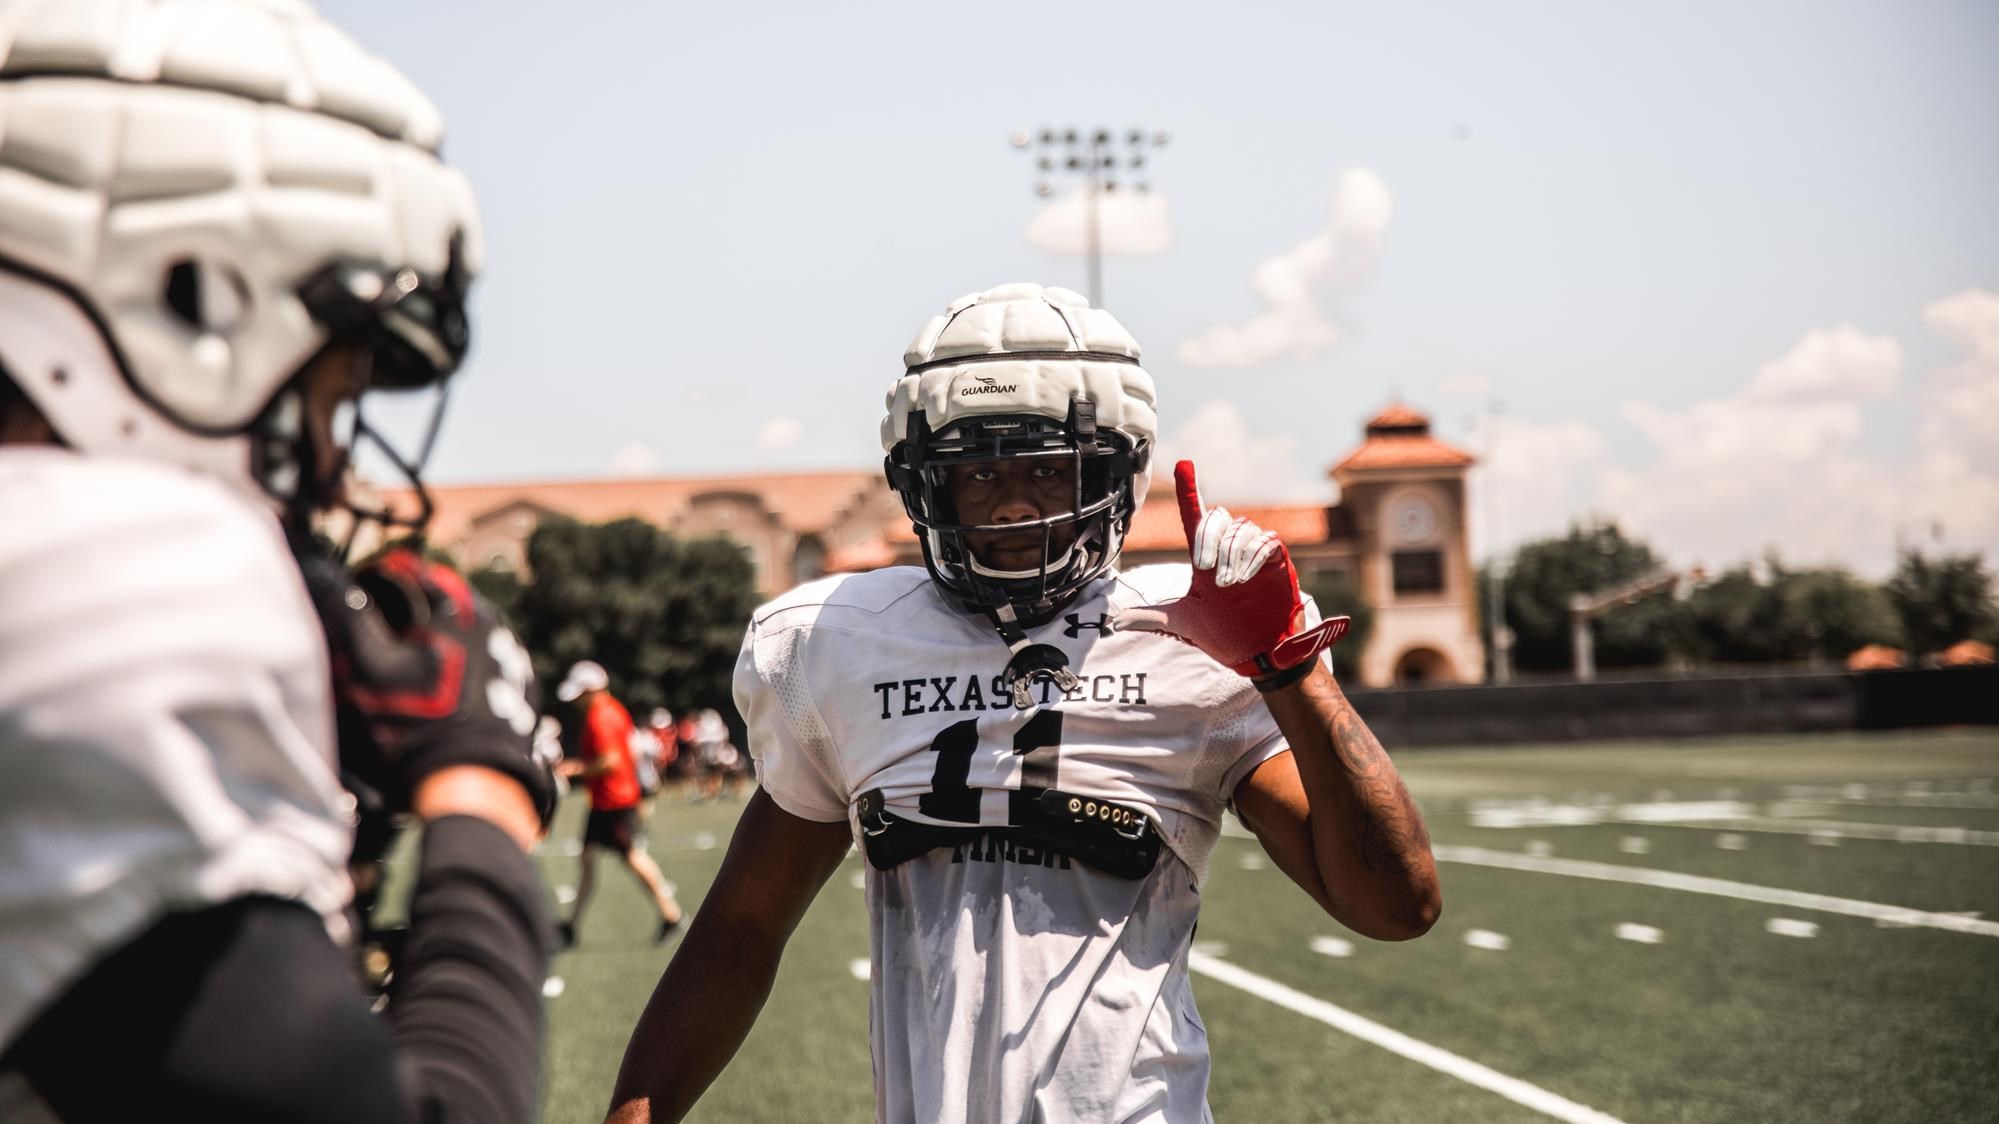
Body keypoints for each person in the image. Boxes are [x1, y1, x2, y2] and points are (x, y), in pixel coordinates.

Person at [608, 283, 1442, 1123]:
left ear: (1117, 471)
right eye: (978, 472)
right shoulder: (835, 646)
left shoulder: (1187, 644)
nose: (1011, 501)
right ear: (922, 483)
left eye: (1048, 468)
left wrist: (1288, 673)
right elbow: (741, 930)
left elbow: (1395, 905)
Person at [0, 2, 558, 1120]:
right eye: (330, 395)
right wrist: (478, 785)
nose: (330, 461)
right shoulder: (98, 565)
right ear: (185, 298)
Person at [556, 660, 684, 948]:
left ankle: (672, 915)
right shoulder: (612, 711)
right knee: (588, 858)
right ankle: (570, 925)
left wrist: (575, 769)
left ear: (590, 690)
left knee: (631, 856)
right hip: (608, 799)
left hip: (614, 800)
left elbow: (610, 761)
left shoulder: (601, 717)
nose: (576, 701)